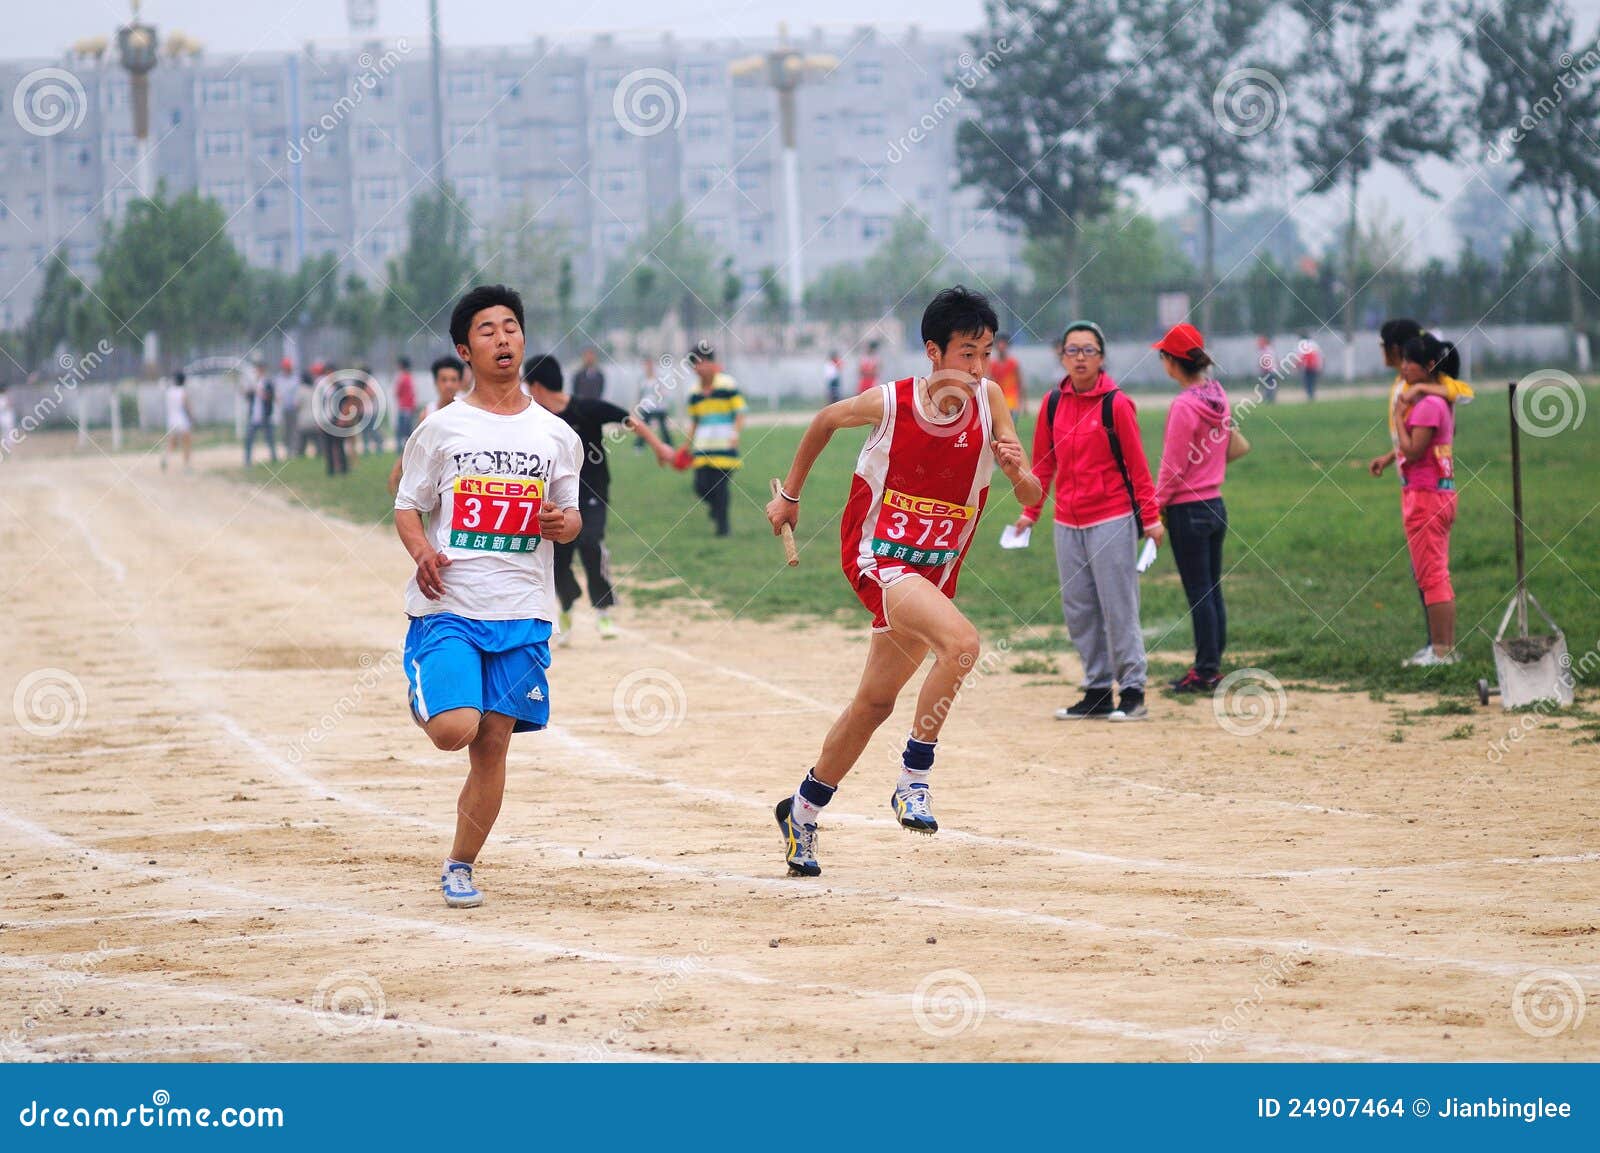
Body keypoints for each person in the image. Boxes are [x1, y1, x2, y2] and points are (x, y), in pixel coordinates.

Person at [764, 286, 1042, 877]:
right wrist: (790, 495)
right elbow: (825, 420)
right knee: (963, 645)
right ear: (933, 352)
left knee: (873, 703)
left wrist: (1021, 475)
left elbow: (1032, 496)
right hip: (880, 559)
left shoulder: (992, 400)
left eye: (986, 353)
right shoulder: (892, 402)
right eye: (966, 353)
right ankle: (914, 775)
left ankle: (803, 811)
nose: (976, 368)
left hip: (935, 573)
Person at [394, 285, 583, 909]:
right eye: (487, 331)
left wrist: (564, 525)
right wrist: (423, 552)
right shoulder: (442, 427)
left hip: (523, 611)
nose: (503, 339)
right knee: (454, 729)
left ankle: (460, 864)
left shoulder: (555, 434)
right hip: (452, 604)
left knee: (493, 745)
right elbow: (407, 507)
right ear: (463, 350)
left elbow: (572, 515)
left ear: (523, 340)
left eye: (511, 328)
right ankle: (432, 688)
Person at [1012, 321, 1163, 722]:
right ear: (1061, 355)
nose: (1080, 358)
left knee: (1118, 606)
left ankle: (1133, 691)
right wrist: (1031, 513)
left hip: (1111, 518)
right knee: (1078, 608)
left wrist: (1151, 520)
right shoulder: (1052, 404)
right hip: (1067, 521)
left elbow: (1138, 468)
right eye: (1072, 350)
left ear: (1102, 357)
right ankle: (1097, 690)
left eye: (1089, 351)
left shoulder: (1116, 404)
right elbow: (1043, 465)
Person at [524, 353, 673, 642]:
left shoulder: (586, 408)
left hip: (592, 493)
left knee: (592, 544)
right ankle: (566, 606)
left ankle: (603, 611)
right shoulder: (536, 420)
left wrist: (658, 447)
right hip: (554, 500)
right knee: (558, 559)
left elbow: (628, 419)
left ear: (537, 386)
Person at [1367, 318, 1473, 665]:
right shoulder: (1420, 390)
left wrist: (1402, 411)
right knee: (1430, 573)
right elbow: (1413, 445)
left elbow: (1414, 448)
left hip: (1427, 494)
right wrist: (1388, 457)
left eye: (1408, 361)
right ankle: (1439, 647)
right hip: (1427, 490)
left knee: (1432, 575)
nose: (1402, 366)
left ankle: (1440, 649)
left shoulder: (1428, 396)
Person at [1152, 323, 1245, 693]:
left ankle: (1206, 670)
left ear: (1173, 363)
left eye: (1164, 356)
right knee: (1212, 590)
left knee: (1199, 593)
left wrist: (1154, 506)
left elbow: (1172, 467)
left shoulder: (1183, 406)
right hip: (1215, 505)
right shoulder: (1217, 395)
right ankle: (1212, 663)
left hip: (1187, 510)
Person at [685, 343, 746, 537]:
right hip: (703, 448)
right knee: (700, 486)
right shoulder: (694, 392)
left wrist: (735, 434)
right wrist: (686, 446)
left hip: (725, 447)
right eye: (693, 365)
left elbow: (740, 412)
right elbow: (694, 421)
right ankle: (716, 510)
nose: (697, 369)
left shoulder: (727, 385)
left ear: (711, 363)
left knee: (720, 488)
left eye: (699, 363)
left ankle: (723, 528)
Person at [388, 355, 466, 496]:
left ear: (460, 383)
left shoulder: (466, 412)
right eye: (444, 380)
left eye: (453, 380)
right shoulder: (428, 413)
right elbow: (415, 444)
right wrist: (397, 468)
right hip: (435, 479)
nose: (448, 385)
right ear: (436, 383)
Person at [633, 356, 672, 450]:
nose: (648, 367)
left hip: (659, 407)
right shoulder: (642, 380)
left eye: (650, 364)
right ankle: (639, 445)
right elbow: (639, 394)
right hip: (647, 407)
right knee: (643, 427)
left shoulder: (658, 378)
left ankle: (669, 444)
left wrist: (661, 399)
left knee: (663, 428)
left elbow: (663, 392)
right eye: (646, 365)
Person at [243, 359, 278, 466]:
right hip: (254, 416)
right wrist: (249, 391)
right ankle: (247, 461)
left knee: (270, 439)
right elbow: (247, 396)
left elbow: (271, 397)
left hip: (265, 415)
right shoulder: (253, 383)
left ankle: (273, 458)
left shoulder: (268, 382)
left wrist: (261, 392)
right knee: (249, 439)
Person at [161, 371, 194, 474]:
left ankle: (165, 458)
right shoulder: (182, 392)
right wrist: (192, 417)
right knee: (186, 444)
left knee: (172, 443)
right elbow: (187, 407)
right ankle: (186, 466)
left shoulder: (169, 392)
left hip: (171, 421)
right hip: (182, 421)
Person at [990, 331, 1025, 417]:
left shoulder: (1013, 363)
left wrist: (1024, 403)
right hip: (998, 399)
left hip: (1011, 400)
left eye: (1004, 344)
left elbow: (1020, 382)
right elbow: (991, 382)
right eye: (999, 344)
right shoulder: (992, 365)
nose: (1001, 346)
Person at [276, 357, 303, 457]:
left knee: (294, 430)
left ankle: (294, 450)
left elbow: (298, 392)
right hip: (284, 408)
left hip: (294, 408)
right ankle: (287, 449)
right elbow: (278, 393)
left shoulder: (295, 378)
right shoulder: (279, 378)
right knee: (285, 430)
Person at [394, 355, 417, 451]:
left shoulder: (402, 377)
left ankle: (401, 449)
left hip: (404, 406)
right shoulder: (410, 377)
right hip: (409, 406)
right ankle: (409, 447)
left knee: (402, 430)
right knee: (407, 429)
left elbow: (397, 392)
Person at [1255, 334, 1280, 404]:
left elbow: (1265, 361)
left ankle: (1269, 399)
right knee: (1270, 385)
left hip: (1268, 371)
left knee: (1268, 386)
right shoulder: (1271, 349)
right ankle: (1270, 399)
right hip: (1272, 370)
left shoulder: (1266, 350)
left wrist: (1265, 369)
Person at [1298, 334, 1323, 401]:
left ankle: (1310, 395)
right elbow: (1320, 356)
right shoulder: (1314, 344)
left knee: (1307, 382)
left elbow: (1300, 357)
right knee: (1312, 382)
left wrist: (1298, 367)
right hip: (1314, 366)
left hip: (1307, 367)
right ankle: (1311, 395)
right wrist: (1320, 366)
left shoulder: (1302, 345)